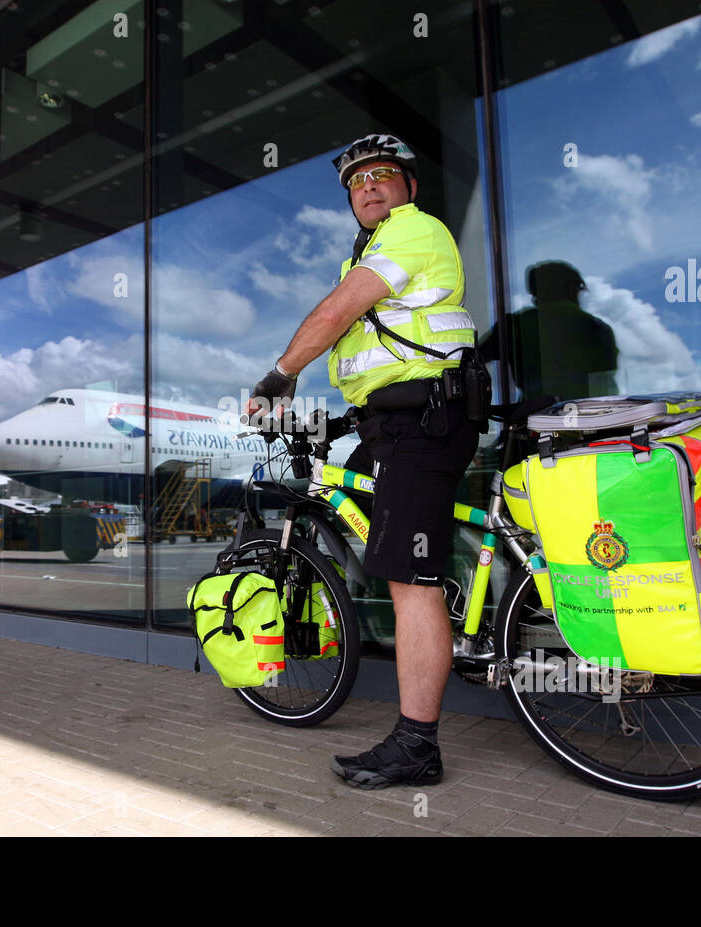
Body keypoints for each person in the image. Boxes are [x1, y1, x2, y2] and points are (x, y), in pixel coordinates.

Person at [245, 133, 479, 788]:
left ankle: (417, 746)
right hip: (402, 423)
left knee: (411, 582)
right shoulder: (373, 252)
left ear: (407, 186)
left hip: (423, 426)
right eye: (357, 181)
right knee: (403, 558)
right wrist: (352, 417)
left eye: (382, 175)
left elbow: (338, 312)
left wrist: (280, 375)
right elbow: (388, 357)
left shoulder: (413, 231)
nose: (369, 186)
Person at [479, 260, 618, 402]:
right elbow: (606, 384)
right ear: (571, 289)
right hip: (591, 419)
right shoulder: (598, 329)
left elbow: (474, 359)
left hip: (532, 417)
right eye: (578, 289)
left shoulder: (514, 325)